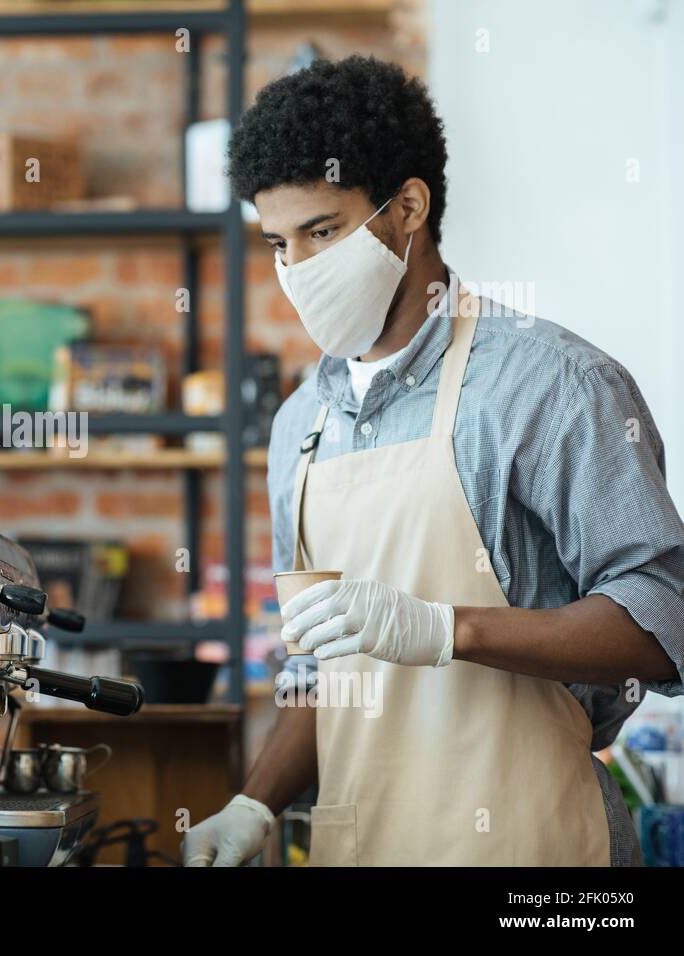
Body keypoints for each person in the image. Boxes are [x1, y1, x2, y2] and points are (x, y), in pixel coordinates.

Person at [183, 55, 684, 866]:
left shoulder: (550, 385)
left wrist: (445, 628)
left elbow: (665, 619)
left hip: (532, 851)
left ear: (407, 207)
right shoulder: (299, 426)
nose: (298, 270)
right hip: (366, 844)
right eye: (279, 242)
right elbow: (322, 667)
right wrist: (254, 802)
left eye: (324, 231)